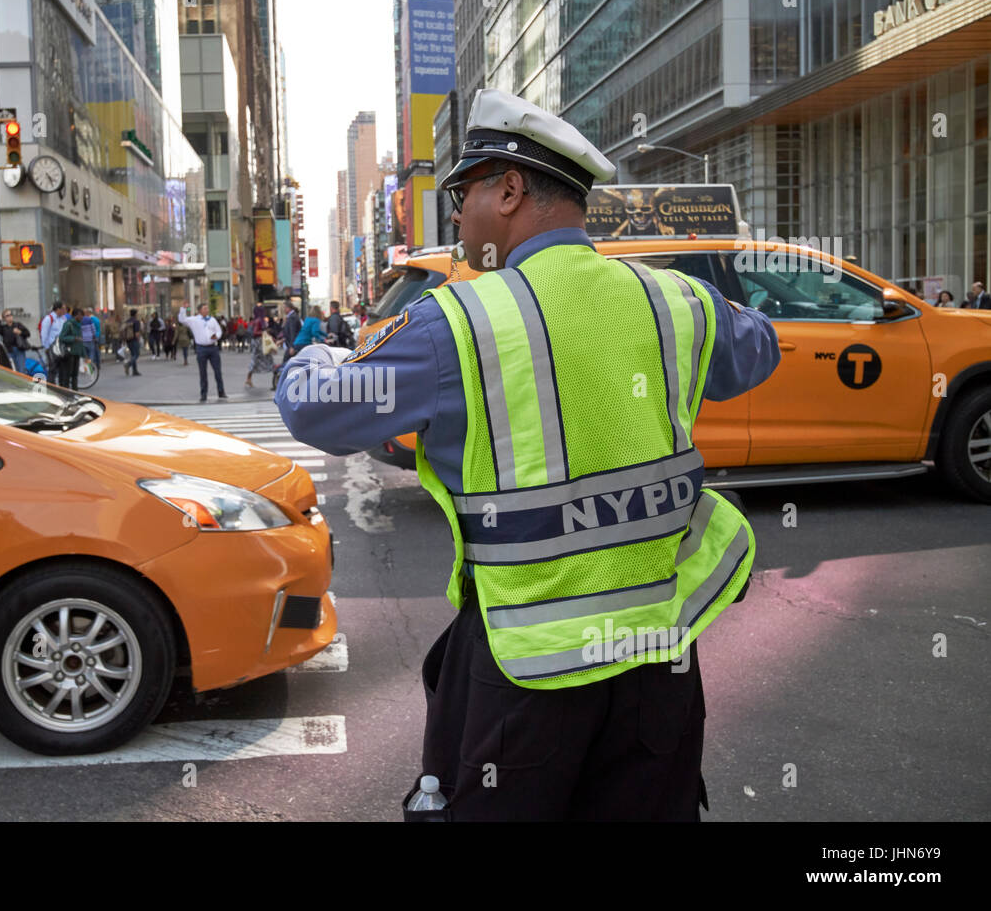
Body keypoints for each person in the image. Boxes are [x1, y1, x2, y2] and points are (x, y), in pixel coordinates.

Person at [275, 87, 781, 821]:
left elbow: (317, 409)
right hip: (658, 669)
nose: (455, 213)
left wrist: (314, 352)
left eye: (463, 192)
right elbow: (756, 346)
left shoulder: (461, 323)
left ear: (510, 190)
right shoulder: (674, 301)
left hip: (527, 674)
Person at [178, 302, 227, 401]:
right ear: (199, 310)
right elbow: (182, 319)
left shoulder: (212, 320)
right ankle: (203, 394)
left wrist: (216, 336)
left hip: (213, 348)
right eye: (205, 308)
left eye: (207, 308)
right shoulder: (194, 320)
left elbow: (219, 331)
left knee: (218, 371)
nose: (207, 310)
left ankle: (221, 392)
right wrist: (183, 309)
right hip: (201, 348)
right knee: (202, 372)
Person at [56, 307, 86, 390]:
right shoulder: (68, 324)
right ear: (77, 315)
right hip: (69, 353)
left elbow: (81, 340)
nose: (82, 318)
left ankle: (75, 392)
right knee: (67, 374)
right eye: (81, 316)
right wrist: (74, 338)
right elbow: (62, 337)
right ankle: (66, 392)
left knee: (75, 375)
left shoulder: (79, 325)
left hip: (77, 352)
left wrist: (84, 354)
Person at [246, 313, 278, 387]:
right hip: (258, 343)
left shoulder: (258, 320)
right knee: (265, 359)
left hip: (258, 343)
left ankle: (248, 379)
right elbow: (255, 333)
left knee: (256, 360)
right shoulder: (258, 321)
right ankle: (276, 376)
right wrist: (264, 332)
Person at [39, 301, 67, 378]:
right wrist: (47, 348)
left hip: (61, 347)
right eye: (63, 309)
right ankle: (51, 387)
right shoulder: (48, 319)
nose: (65, 311)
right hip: (52, 348)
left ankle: (61, 388)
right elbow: (44, 335)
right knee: (52, 370)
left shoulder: (63, 318)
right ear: (58, 309)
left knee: (63, 370)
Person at [123, 308, 144, 376]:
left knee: (133, 355)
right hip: (134, 340)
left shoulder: (127, 321)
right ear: (135, 314)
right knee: (136, 354)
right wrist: (138, 340)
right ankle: (128, 364)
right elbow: (137, 333)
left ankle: (135, 371)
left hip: (128, 339)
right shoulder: (136, 321)